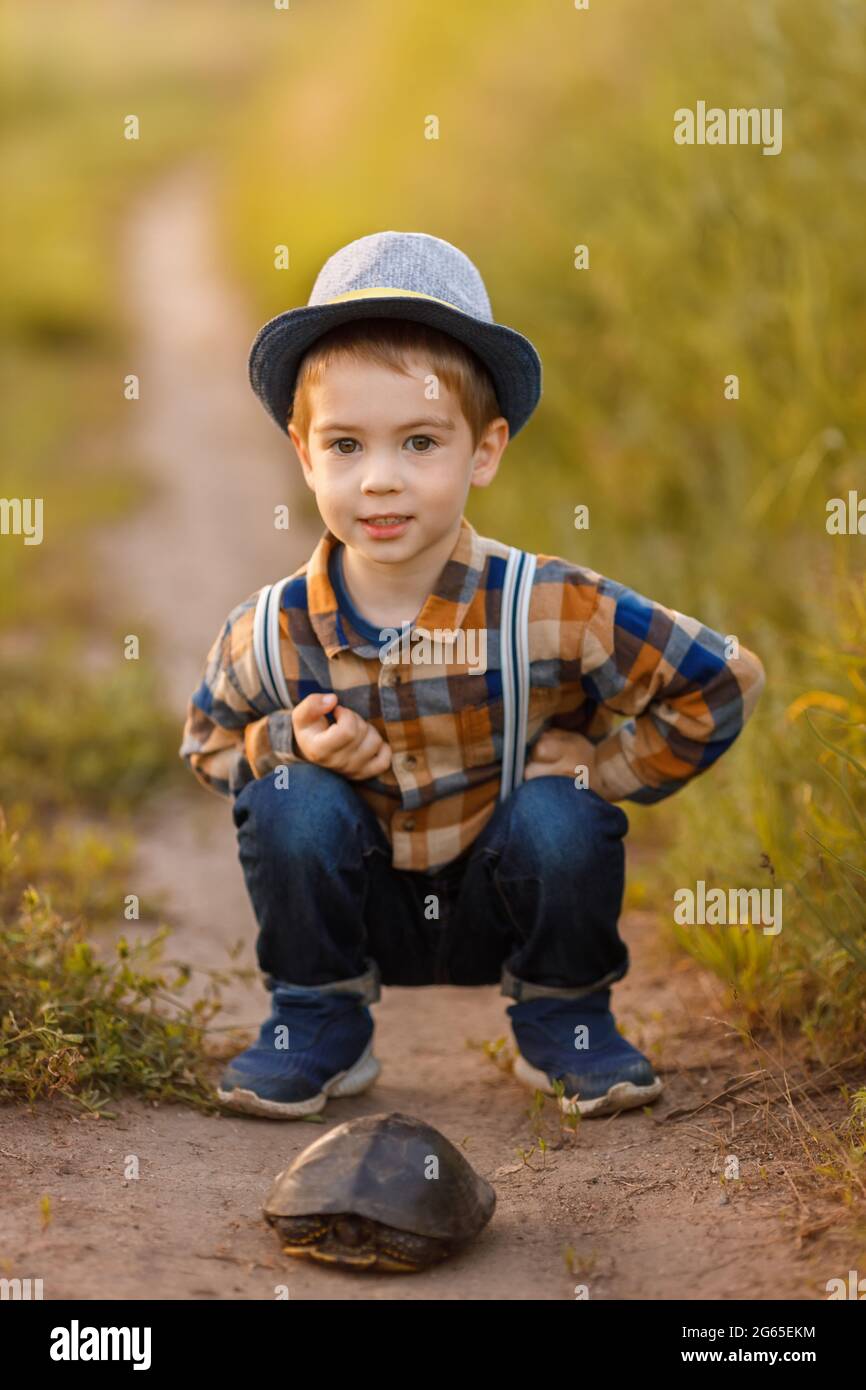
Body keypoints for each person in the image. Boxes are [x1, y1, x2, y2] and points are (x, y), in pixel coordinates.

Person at [179, 230, 765, 1121]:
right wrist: (284, 740)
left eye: (419, 442)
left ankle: (566, 1020)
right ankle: (317, 1020)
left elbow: (725, 678)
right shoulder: (269, 629)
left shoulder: (550, 605)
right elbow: (207, 745)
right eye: (345, 446)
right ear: (302, 452)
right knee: (290, 791)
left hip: (505, 896)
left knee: (562, 811)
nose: (379, 481)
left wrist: (599, 771)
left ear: (483, 451)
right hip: (362, 903)